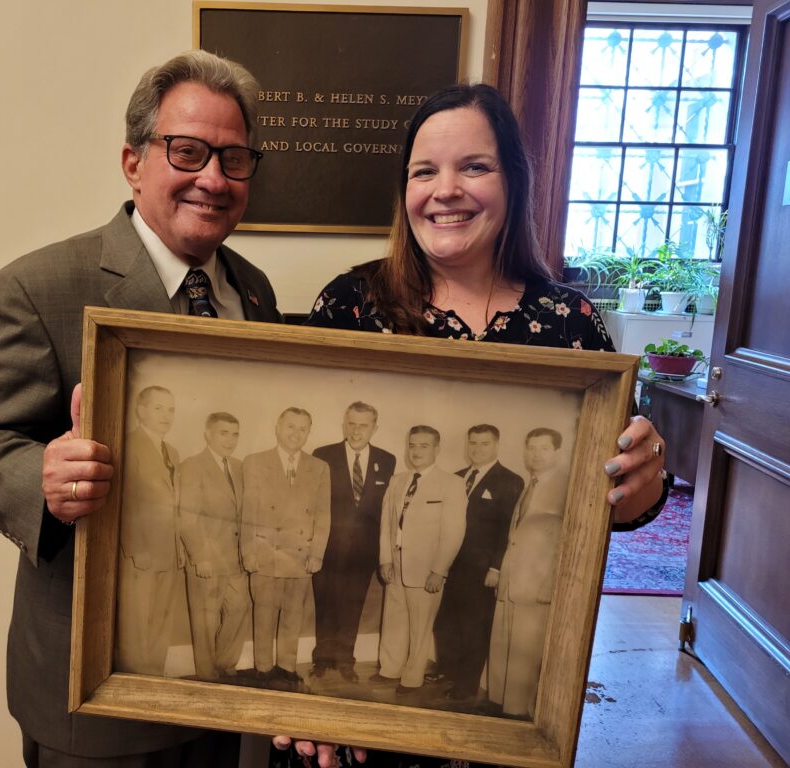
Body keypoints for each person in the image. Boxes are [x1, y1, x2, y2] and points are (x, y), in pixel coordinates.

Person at [273, 83, 667, 768]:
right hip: (350, 736)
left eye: (474, 167)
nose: (445, 190)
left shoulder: (570, 322)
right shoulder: (350, 303)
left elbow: (620, 502)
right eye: (424, 171)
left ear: (512, 180)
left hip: (512, 695)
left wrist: (643, 480)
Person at [0, 50, 282, 768]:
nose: (214, 179)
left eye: (235, 159)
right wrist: (45, 479)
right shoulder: (39, 286)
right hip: (96, 695)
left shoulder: (254, 290)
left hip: (221, 671)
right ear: (133, 162)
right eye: (188, 152)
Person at [428, 424, 524, 703]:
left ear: (496, 445)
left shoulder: (510, 480)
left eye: (484, 443)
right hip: (451, 564)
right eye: (473, 443)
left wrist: (496, 567)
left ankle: (466, 685)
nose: (477, 449)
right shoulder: (457, 477)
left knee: (473, 628)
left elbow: (508, 528)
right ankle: (448, 670)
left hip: (481, 570)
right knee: (446, 623)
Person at [241, 407, 331, 692]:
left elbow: (323, 515)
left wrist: (317, 553)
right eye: (291, 426)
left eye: (303, 429)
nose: (296, 434)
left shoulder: (319, 467)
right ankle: (263, 668)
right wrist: (248, 551)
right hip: (265, 552)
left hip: (301, 555)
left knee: (294, 615)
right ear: (278, 428)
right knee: (264, 614)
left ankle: (287, 666)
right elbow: (247, 512)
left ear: (308, 433)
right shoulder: (255, 462)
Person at [484, 428, 569, 718]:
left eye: (543, 449)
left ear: (557, 452)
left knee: (527, 651)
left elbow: (567, 541)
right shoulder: (530, 484)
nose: (536, 455)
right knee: (504, 645)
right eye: (531, 448)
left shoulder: (565, 487)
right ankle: (500, 703)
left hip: (538, 583)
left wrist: (551, 583)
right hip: (512, 578)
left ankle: (519, 712)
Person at [374, 425, 465, 694]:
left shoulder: (451, 483)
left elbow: (454, 532)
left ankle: (412, 678)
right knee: (394, 620)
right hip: (396, 563)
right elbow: (386, 525)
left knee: (420, 626)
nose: (416, 451)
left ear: (437, 449)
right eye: (412, 445)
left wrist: (439, 570)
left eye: (424, 446)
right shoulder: (397, 480)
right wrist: (385, 559)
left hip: (426, 569)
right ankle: (389, 670)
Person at [310, 401, 396, 684]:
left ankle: (346, 660)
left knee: (353, 606)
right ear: (344, 425)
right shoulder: (323, 455)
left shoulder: (387, 460)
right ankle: (322, 659)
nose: (357, 431)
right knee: (325, 604)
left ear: (374, 428)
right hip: (328, 547)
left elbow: (386, 509)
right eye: (352, 424)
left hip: (364, 552)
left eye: (364, 425)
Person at [178, 411, 251, 680]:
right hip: (207, 558)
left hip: (236, 561)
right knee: (205, 620)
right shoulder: (192, 466)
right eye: (224, 433)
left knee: (240, 608)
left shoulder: (240, 467)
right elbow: (188, 517)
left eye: (235, 434)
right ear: (208, 434)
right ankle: (207, 675)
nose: (230, 440)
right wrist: (200, 557)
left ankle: (225, 664)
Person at [116, 385, 182, 676]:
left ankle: (155, 676)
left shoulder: (172, 452)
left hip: (170, 551)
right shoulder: (128, 445)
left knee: (161, 618)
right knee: (137, 622)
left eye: (171, 410)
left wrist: (179, 548)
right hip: (141, 553)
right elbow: (125, 503)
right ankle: (135, 679)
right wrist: (136, 548)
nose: (166, 415)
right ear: (141, 411)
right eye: (158, 408)